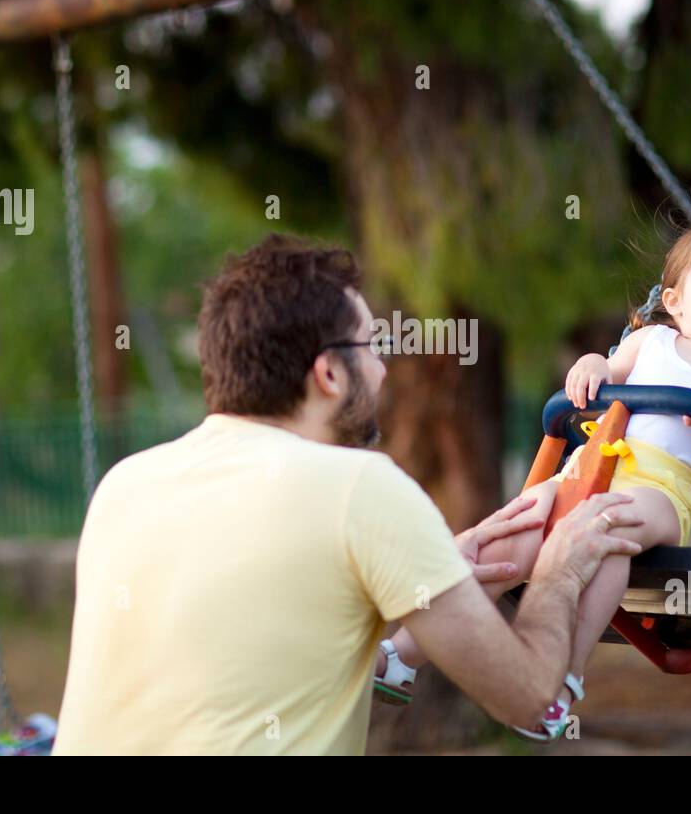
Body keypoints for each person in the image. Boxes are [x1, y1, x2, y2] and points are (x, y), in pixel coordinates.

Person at [52, 233, 644, 755]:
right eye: (371, 348)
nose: (385, 370)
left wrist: (428, 571)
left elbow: (269, 648)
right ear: (330, 374)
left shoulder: (126, 483)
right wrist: (561, 575)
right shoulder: (361, 488)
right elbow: (531, 701)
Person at [380, 220, 691, 740]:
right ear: (675, 300)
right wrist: (591, 364)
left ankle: (564, 681)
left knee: (606, 535)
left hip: (660, 491)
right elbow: (608, 368)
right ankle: (402, 655)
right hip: (591, 466)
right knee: (514, 532)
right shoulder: (650, 340)